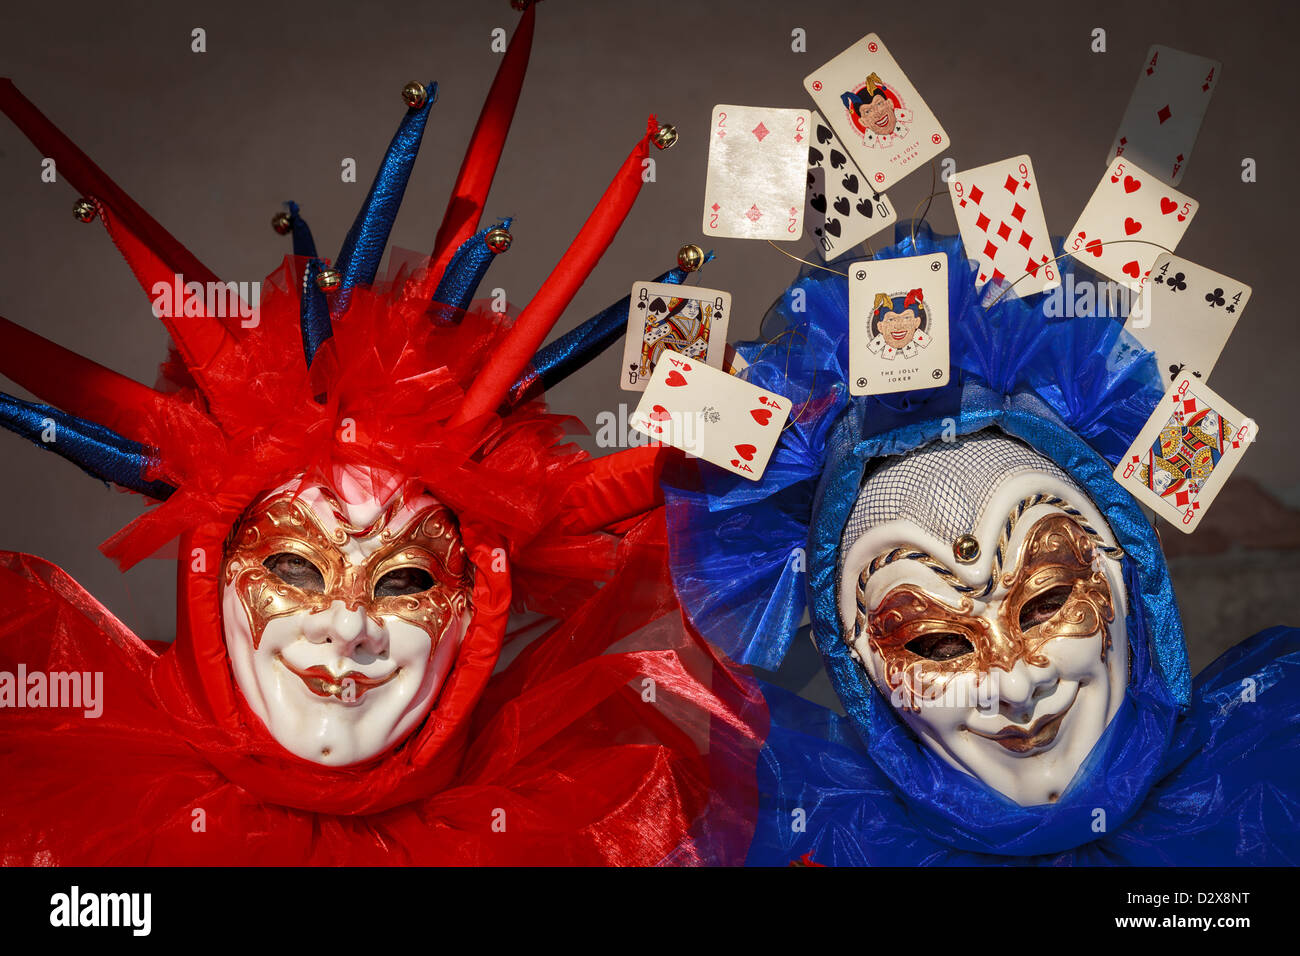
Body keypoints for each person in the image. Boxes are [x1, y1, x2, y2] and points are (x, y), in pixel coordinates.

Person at [0, 5, 762, 866]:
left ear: (477, 607)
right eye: (293, 565)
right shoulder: (56, 830)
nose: (348, 628)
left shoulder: (596, 835)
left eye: (405, 581)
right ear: (208, 568)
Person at [665, 223, 1300, 865]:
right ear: (859, 670)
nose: (1016, 688)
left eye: (1045, 602)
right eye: (938, 644)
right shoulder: (807, 844)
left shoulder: (1274, 782)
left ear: (1127, 579)